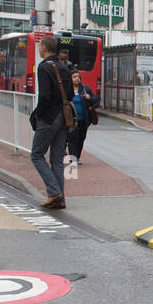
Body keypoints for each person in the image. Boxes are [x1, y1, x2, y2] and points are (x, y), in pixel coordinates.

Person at [30, 35, 75, 210]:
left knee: (36, 154)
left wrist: (36, 115)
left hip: (49, 116)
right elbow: (70, 95)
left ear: (43, 48)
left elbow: (44, 96)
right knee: (56, 158)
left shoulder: (44, 67)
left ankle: (54, 191)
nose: (39, 49)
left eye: (40, 47)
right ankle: (60, 198)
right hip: (64, 117)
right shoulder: (65, 67)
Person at [67, 69, 99, 164]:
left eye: (78, 77)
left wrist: (90, 98)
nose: (77, 79)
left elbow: (95, 100)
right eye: (74, 77)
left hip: (83, 119)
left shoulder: (85, 89)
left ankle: (77, 157)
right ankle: (73, 158)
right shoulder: (67, 90)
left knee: (81, 138)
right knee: (72, 138)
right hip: (72, 119)